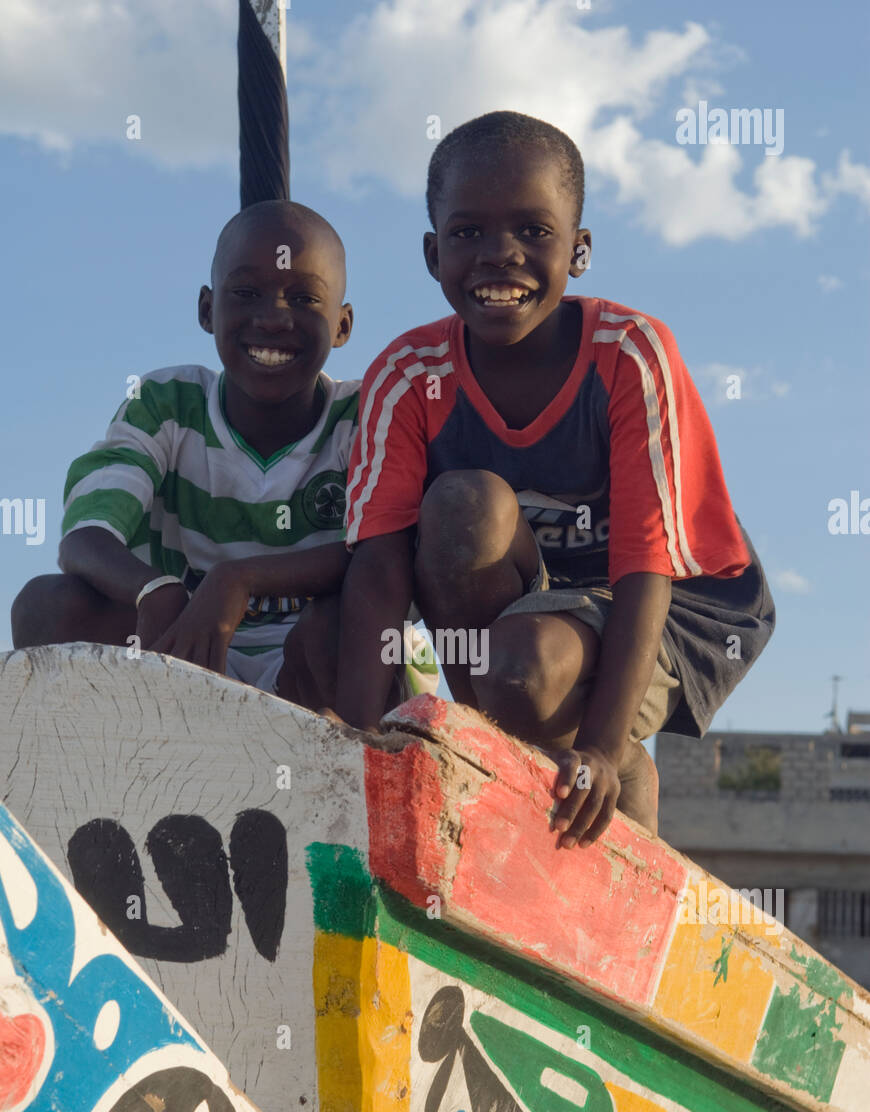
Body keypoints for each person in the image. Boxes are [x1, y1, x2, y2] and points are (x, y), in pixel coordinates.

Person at [337, 111, 774, 847]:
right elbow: (379, 567)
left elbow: (644, 563)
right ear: (431, 252)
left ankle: (619, 773)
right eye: (469, 233)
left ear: (580, 250)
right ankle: (500, 758)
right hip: (529, 599)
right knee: (462, 508)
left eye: (533, 232)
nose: (499, 255)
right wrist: (350, 739)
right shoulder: (409, 377)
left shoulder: (629, 355)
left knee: (527, 669)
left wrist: (600, 748)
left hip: (671, 606)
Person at [12, 199, 358, 709]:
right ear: (205, 308)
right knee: (45, 606)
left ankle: (333, 762)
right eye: (245, 292)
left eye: (304, 298)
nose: (273, 318)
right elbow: (85, 537)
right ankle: (126, 763)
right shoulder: (166, 403)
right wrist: (154, 589)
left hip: (311, 663)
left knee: (346, 627)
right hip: (183, 645)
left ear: (343, 325)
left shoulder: (363, 415)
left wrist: (240, 579)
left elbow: (385, 555)